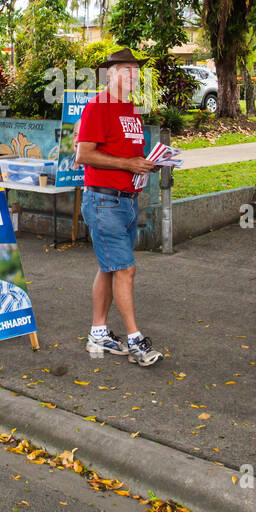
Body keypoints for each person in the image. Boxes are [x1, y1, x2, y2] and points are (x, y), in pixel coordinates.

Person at [75, 47, 161, 366]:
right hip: (103, 201)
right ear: (109, 74)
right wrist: (128, 164)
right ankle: (136, 341)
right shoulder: (99, 106)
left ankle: (98, 333)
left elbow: (128, 156)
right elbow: (83, 155)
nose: (132, 76)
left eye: (136, 71)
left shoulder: (129, 109)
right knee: (125, 269)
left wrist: (149, 164)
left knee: (110, 266)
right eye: (124, 70)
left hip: (126, 202)